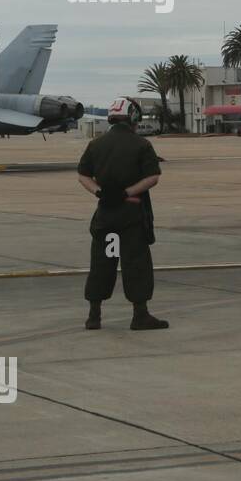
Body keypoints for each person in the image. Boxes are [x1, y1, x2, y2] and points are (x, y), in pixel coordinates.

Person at [77, 97, 168, 330]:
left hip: (105, 217)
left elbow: (83, 176)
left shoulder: (96, 145)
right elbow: (152, 177)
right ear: (134, 118)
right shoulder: (141, 145)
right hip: (131, 218)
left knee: (102, 263)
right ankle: (140, 315)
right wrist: (126, 192)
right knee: (135, 263)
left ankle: (94, 316)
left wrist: (101, 193)